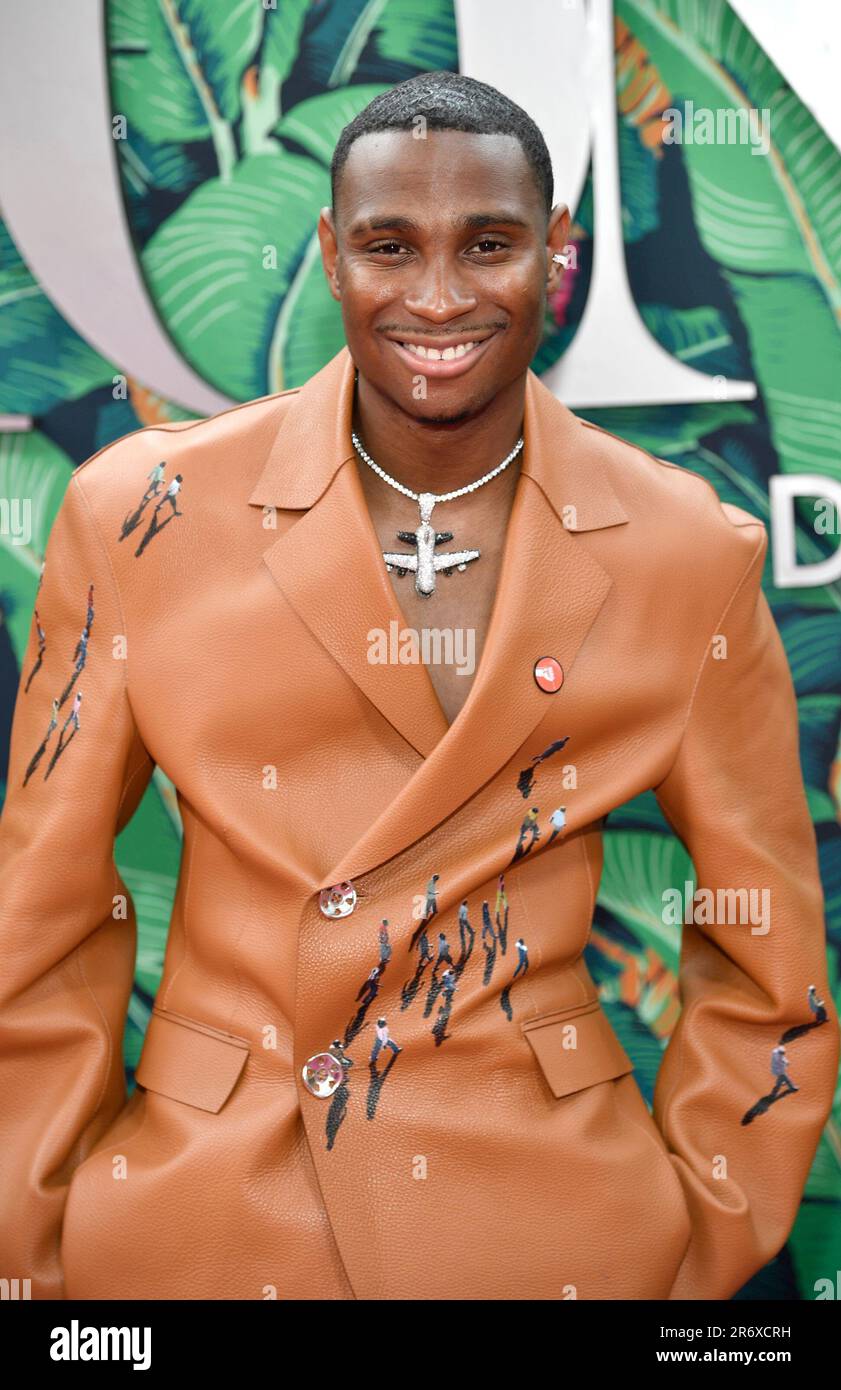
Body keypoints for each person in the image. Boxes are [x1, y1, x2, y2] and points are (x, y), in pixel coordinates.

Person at [0, 70, 837, 1304]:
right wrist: (49, 1238)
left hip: (556, 1234)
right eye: (391, 246)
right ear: (331, 258)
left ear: (555, 257)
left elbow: (767, 954)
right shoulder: (139, 520)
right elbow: (43, 914)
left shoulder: (684, 553)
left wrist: (693, 1236)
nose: (439, 296)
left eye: (487, 244)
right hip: (207, 1228)